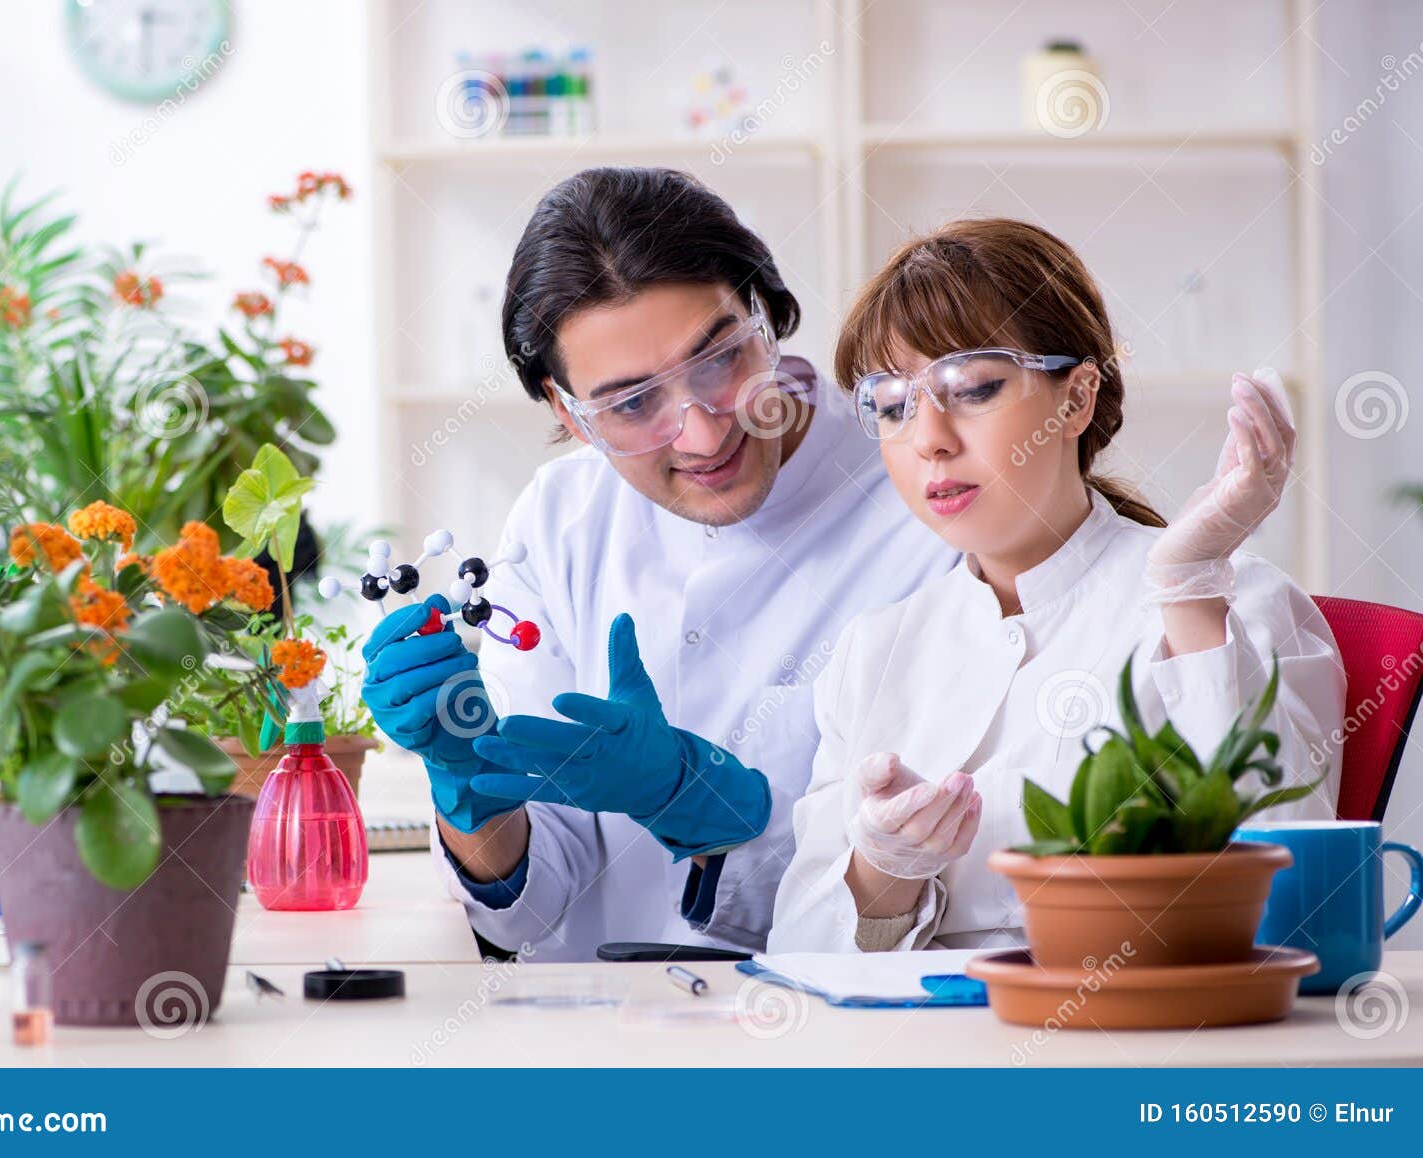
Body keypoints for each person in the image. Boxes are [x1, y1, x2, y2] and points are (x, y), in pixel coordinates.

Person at [360, 167, 956, 961]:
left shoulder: (924, 498)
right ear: (568, 411)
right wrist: (469, 791)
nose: (704, 435)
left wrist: (701, 806)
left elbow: (938, 878)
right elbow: (525, 913)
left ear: (766, 314)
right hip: (597, 1039)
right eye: (633, 403)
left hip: (829, 1042)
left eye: (719, 361)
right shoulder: (560, 518)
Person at [768, 218, 1345, 954]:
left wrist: (1190, 593)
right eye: (891, 404)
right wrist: (886, 871)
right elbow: (799, 954)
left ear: (1075, 399)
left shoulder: (1239, 605)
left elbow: (1289, 908)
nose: (929, 438)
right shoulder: (872, 649)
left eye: (972, 388)